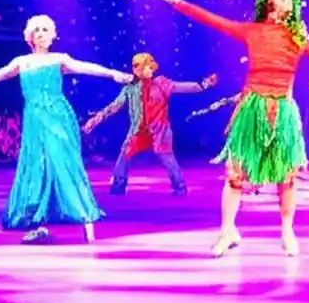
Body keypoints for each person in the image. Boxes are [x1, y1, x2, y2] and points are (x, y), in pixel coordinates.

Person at [146, 0, 309, 257]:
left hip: (283, 111)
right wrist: (175, 1)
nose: (287, 0)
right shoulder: (253, 31)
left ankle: (287, 230)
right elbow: (215, 21)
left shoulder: (300, 39)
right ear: (270, 2)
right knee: (235, 173)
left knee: (286, 176)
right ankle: (227, 231)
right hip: (252, 110)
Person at [0, 15, 132, 245]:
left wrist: (113, 74)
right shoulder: (22, 62)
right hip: (35, 119)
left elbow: (88, 68)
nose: (42, 34)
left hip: (58, 117)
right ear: (30, 36)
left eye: (46, 30)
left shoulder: (59, 59)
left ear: (53, 35)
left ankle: (79, 211)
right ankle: (37, 213)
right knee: (37, 162)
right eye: (38, 30)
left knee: (61, 160)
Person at [83, 52, 217, 196]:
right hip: (138, 130)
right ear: (136, 70)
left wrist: (204, 84)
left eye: (150, 67)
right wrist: (96, 119)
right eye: (145, 67)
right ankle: (118, 186)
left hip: (160, 129)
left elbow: (185, 87)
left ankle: (179, 187)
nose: (149, 70)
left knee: (167, 157)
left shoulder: (161, 84)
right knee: (124, 155)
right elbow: (114, 107)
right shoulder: (130, 89)